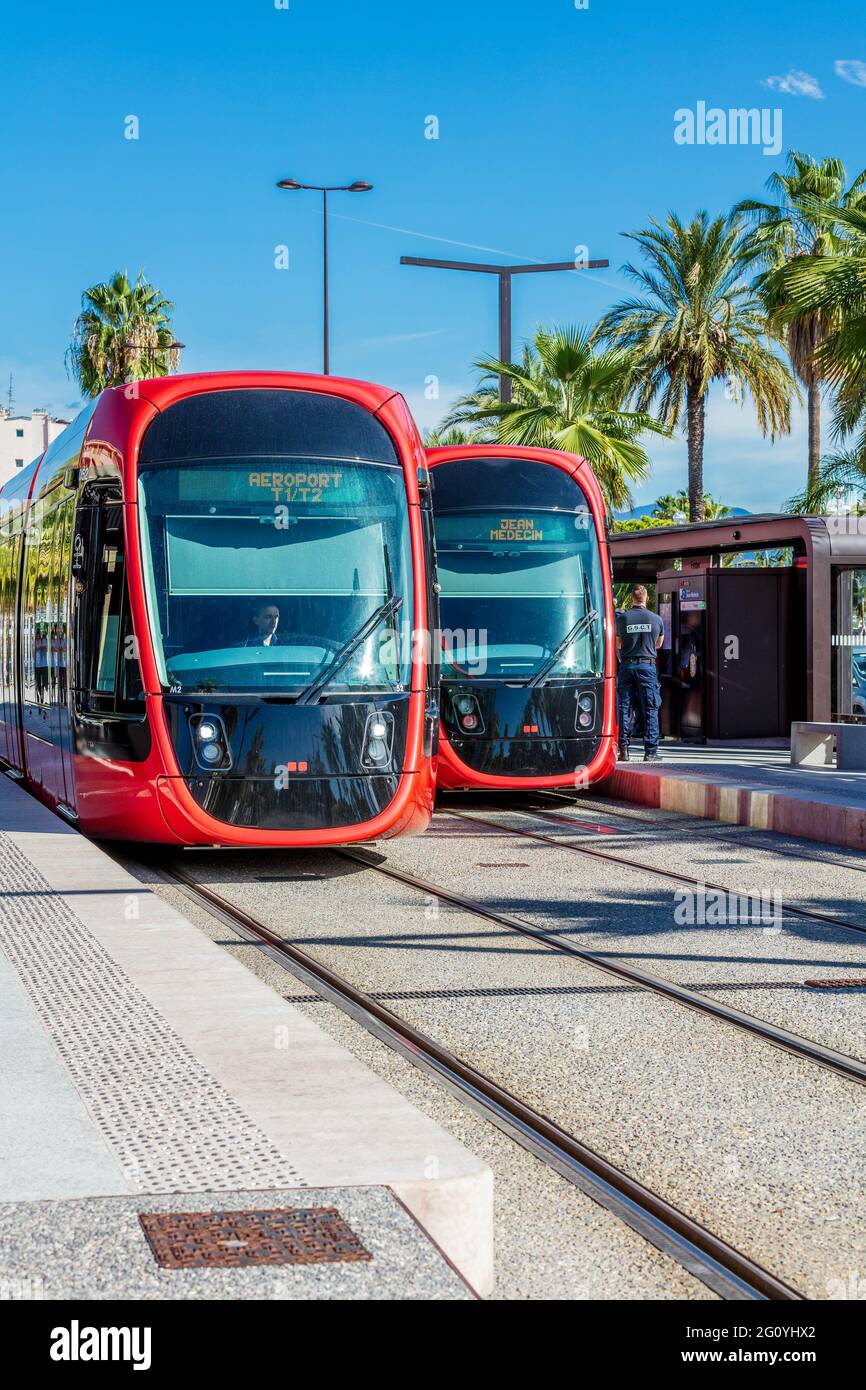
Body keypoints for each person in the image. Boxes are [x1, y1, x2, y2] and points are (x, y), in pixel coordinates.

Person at [616, 584, 664, 762]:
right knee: (650, 707)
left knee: (624, 707)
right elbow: (659, 644)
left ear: (631, 599)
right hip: (647, 667)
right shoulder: (656, 619)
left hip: (627, 666)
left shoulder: (622, 619)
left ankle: (624, 750)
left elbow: (618, 644)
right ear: (647, 599)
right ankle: (650, 752)